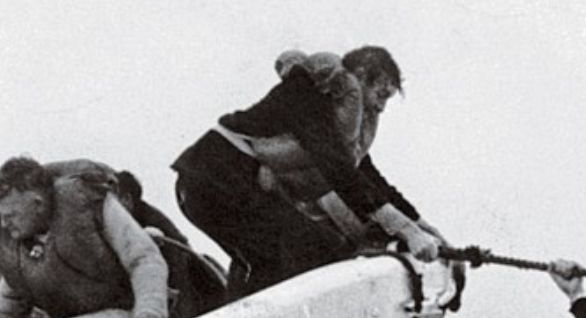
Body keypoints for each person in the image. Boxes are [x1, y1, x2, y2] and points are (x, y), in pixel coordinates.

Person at [171, 45, 441, 297]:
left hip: (216, 186)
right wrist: (407, 231)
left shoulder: (338, 123)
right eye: (381, 94)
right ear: (358, 76)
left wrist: (427, 230)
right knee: (302, 248)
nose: (381, 108)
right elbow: (339, 172)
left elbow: (371, 181)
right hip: (211, 178)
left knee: (294, 250)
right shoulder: (308, 94)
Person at [0, 156, 171, 318]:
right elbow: (10, 301)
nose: (4, 224)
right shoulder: (22, 244)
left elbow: (143, 258)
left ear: (37, 204)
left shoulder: (88, 204)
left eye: (11, 215)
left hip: (136, 312)